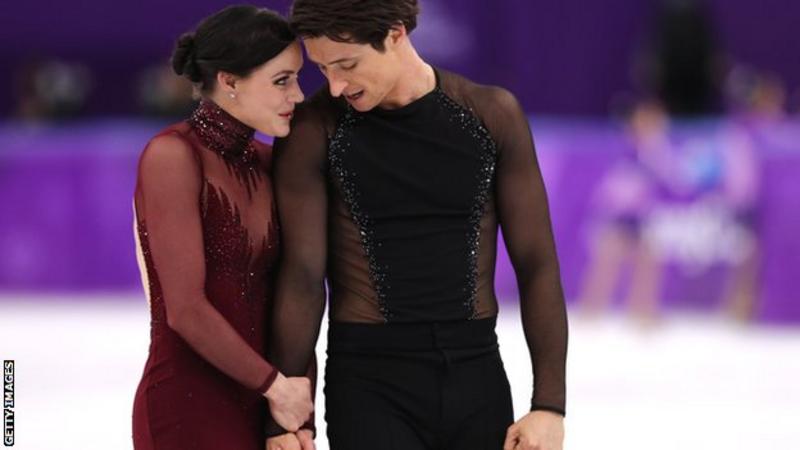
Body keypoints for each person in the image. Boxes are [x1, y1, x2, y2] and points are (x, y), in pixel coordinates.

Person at [265, 1, 568, 449]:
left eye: (347, 64)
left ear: (395, 33)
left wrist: (549, 405)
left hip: (477, 376)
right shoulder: (316, 128)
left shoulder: (491, 114)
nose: (335, 86)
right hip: (368, 385)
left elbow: (537, 262)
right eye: (324, 69)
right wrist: (286, 424)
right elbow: (304, 278)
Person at [131, 6, 315, 450]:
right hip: (187, 406)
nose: (299, 96)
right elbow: (185, 310)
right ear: (229, 81)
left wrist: (296, 423)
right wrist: (276, 388)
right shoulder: (172, 156)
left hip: (262, 407)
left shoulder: (270, 164)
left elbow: (299, 294)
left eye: (297, 78)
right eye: (282, 81)